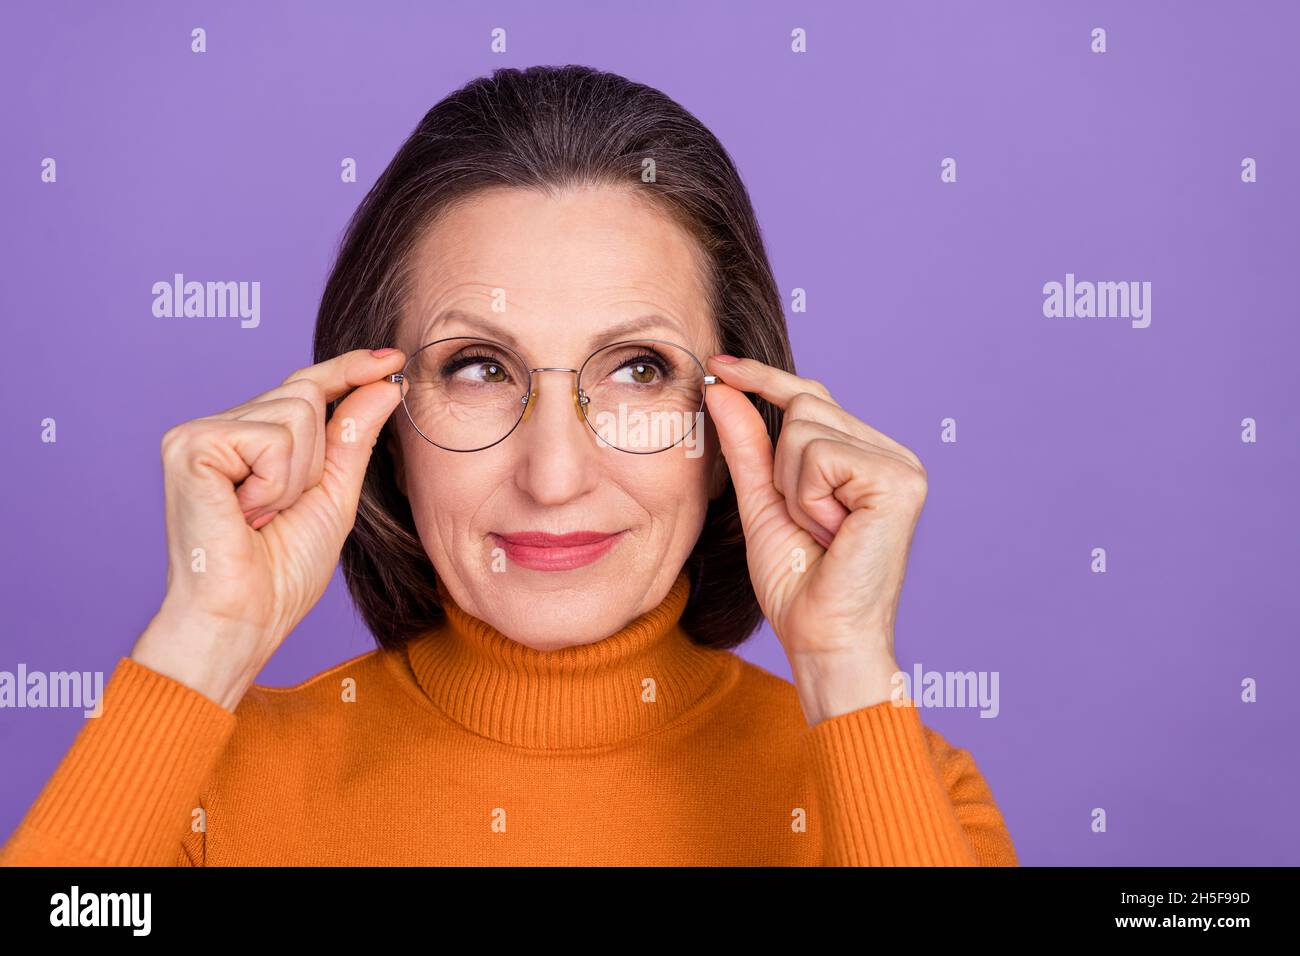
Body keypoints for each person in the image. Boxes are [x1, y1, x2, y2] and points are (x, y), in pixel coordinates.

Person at [0, 65, 1017, 867]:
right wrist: (202, 638)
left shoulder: (904, 785)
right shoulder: (198, 790)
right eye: (479, 367)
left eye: (638, 369)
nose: (554, 472)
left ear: (733, 429)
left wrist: (845, 665)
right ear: (380, 421)